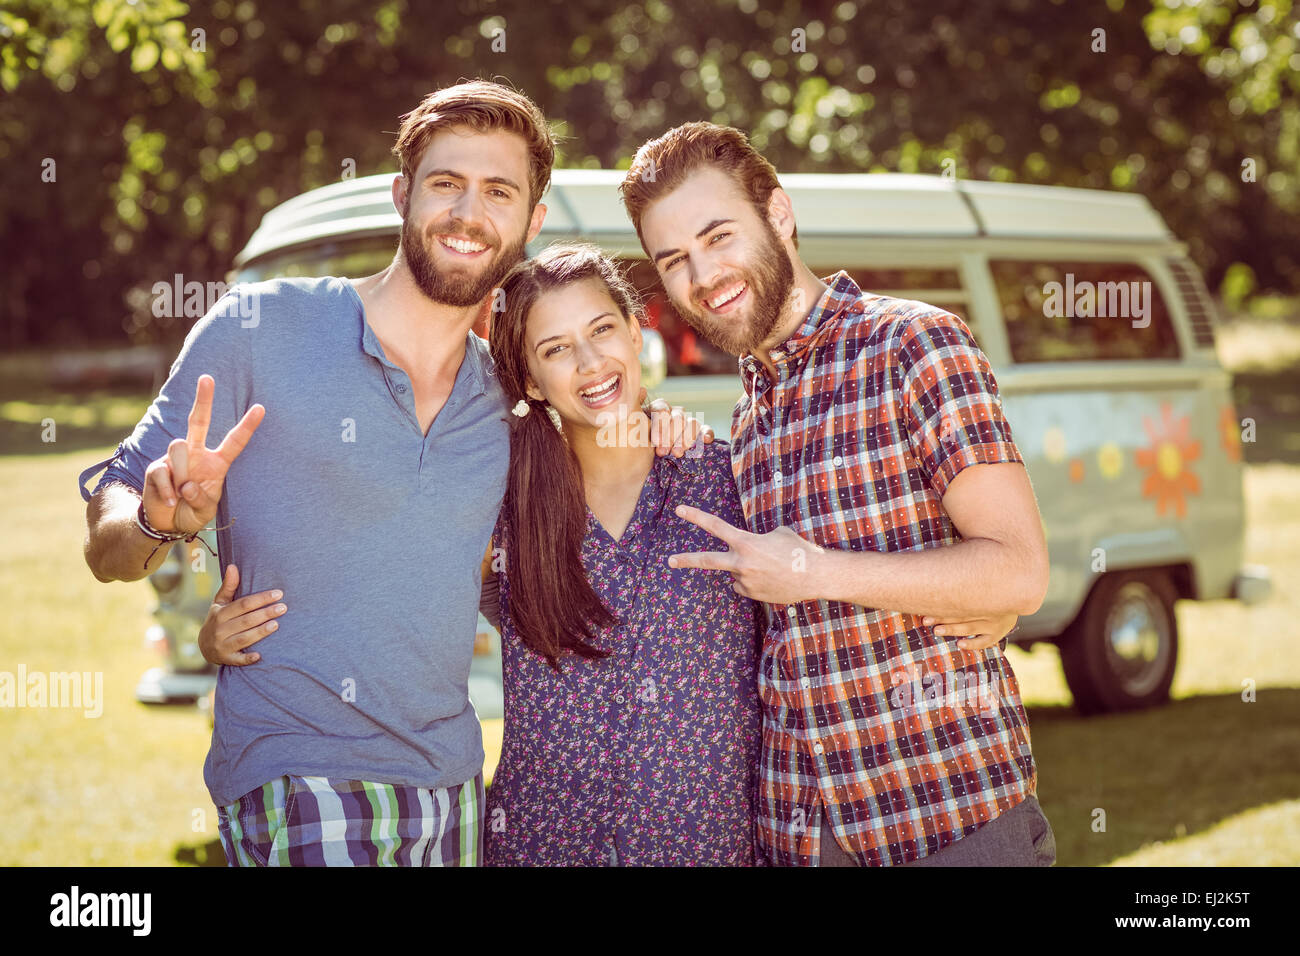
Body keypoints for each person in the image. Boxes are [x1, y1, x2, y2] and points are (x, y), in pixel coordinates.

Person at [78, 80, 704, 868]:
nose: (469, 213)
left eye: (499, 192)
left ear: (530, 222)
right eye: (447, 184)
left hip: (454, 785)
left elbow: (534, 554)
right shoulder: (258, 328)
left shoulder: (508, 400)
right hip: (301, 769)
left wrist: (677, 433)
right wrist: (151, 523)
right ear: (403, 194)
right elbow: (110, 530)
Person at [202, 244, 763, 866]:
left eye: (602, 330)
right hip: (542, 843)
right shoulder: (501, 502)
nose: (589, 362)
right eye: (554, 349)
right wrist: (228, 636)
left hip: (705, 841)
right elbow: (377, 576)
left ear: (637, 334)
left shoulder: (729, 481)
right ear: (528, 380)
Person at [617, 122, 1057, 867]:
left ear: (779, 215)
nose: (704, 274)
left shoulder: (914, 345)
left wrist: (814, 573)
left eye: (719, 236)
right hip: (802, 836)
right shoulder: (749, 414)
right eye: (675, 260)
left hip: (951, 827)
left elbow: (1019, 571)